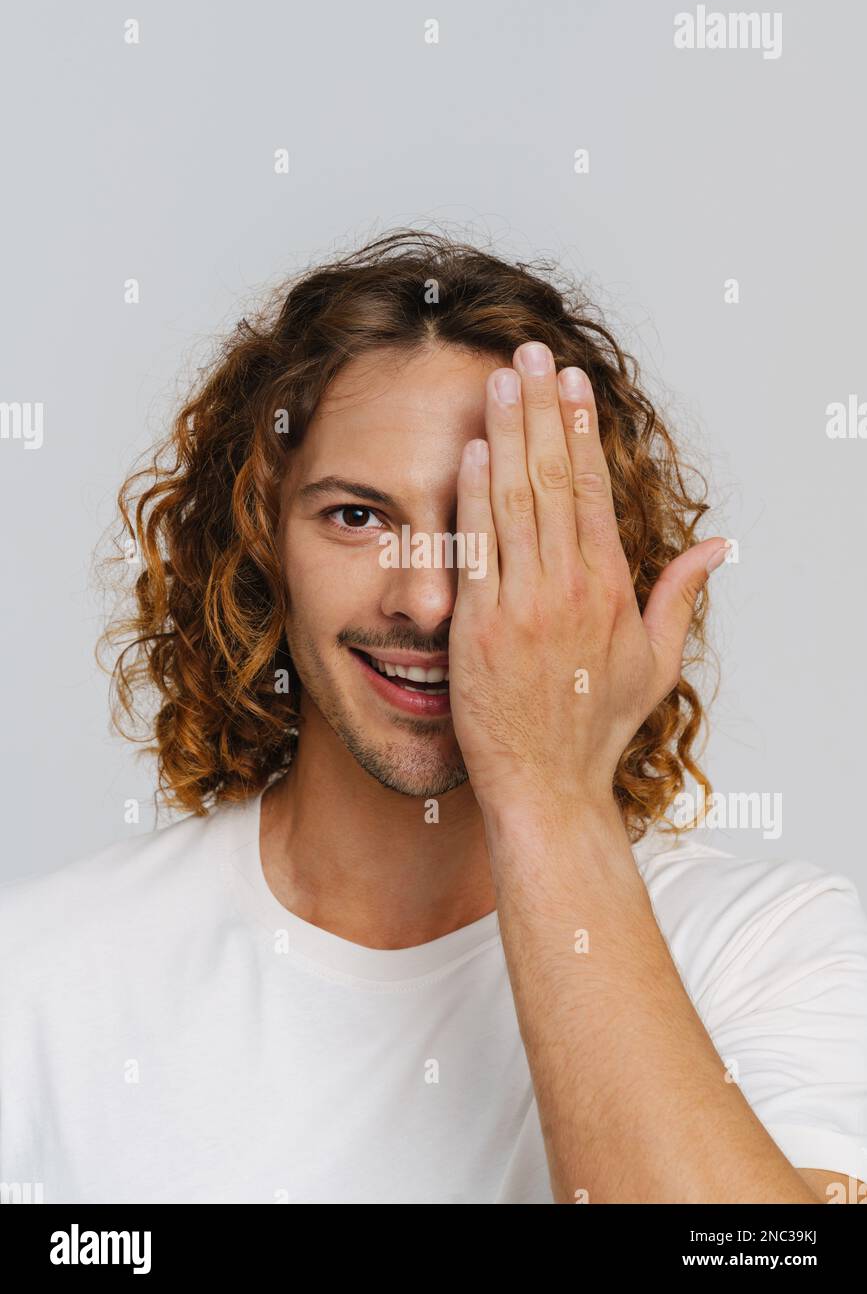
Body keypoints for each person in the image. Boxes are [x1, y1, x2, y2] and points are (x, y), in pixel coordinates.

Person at [2, 230, 866, 1205]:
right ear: (259, 546)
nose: (424, 599)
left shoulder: (771, 945)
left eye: (490, 526)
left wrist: (548, 795)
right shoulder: (37, 979)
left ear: (593, 568)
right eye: (357, 516)